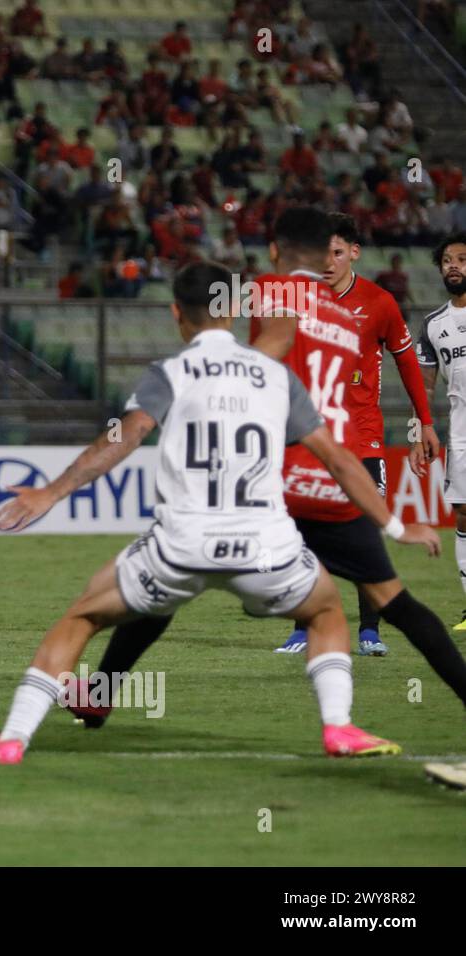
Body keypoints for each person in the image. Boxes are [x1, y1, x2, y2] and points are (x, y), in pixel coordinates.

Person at [0, 260, 440, 766]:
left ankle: (13, 738)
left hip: (181, 545)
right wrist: (393, 525)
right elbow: (340, 461)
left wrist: (52, 493)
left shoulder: (171, 372)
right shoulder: (275, 375)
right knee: (326, 612)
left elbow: (125, 436)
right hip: (264, 546)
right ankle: (338, 727)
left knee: (81, 618)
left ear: (176, 314)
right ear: (233, 311)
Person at [71, 212, 466, 729]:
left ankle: (101, 692)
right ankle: (352, 709)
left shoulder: (267, 293)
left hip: (270, 476)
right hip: (334, 469)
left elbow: (251, 348)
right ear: (328, 254)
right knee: (395, 598)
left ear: (277, 251)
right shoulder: (349, 317)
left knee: (168, 581)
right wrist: (400, 511)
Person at [274, 213, 438, 654]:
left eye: (338, 253)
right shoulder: (300, 300)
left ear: (355, 253)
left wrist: (424, 420)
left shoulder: (380, 302)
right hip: (310, 436)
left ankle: (370, 630)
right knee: (302, 529)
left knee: (365, 525)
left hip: (362, 434)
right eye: (322, 253)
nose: (329, 262)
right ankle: (302, 626)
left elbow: (406, 361)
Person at [417, 233, 466, 629]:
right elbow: (425, 387)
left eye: (463, 259)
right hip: (461, 431)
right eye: (448, 260)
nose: (454, 266)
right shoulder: (434, 324)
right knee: (464, 515)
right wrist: (420, 431)